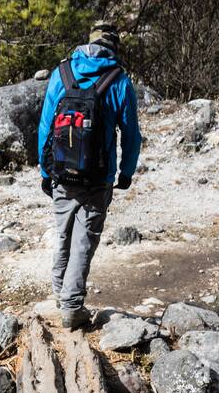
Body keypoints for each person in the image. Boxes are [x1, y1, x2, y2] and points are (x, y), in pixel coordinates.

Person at [38, 22, 141, 329]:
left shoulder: (62, 73)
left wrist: (46, 171)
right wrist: (126, 172)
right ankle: (71, 306)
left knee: (64, 233)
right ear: (114, 49)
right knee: (84, 240)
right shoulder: (120, 81)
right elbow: (131, 135)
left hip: (62, 172)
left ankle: (60, 293)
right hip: (98, 177)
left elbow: (45, 125)